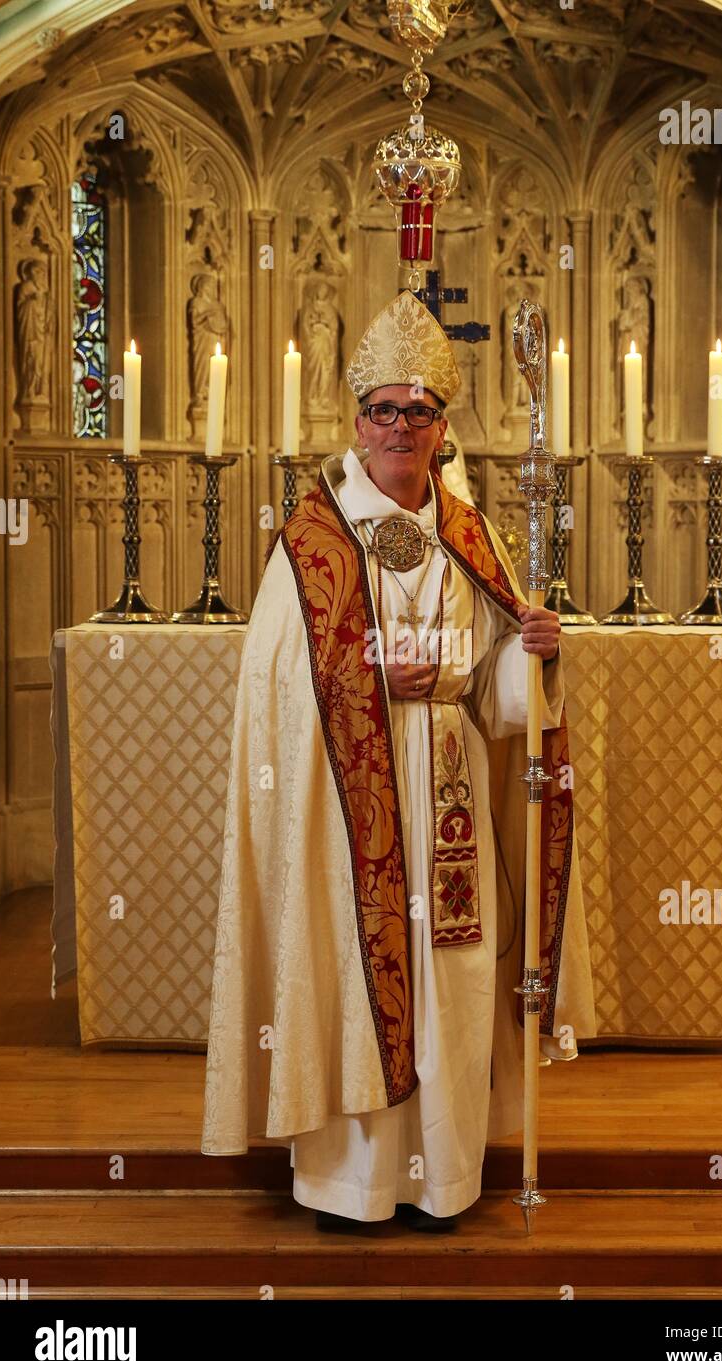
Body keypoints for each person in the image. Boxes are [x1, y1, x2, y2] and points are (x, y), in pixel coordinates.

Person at [201, 290, 596, 1232]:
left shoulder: (474, 535)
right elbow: (278, 692)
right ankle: (355, 1182)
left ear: (443, 428)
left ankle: (444, 1176)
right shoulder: (310, 542)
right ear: (356, 420)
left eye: (419, 413)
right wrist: (374, 681)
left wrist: (532, 655)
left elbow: (506, 697)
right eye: (384, 410)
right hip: (347, 814)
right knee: (355, 972)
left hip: (452, 789)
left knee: (454, 978)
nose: (400, 429)